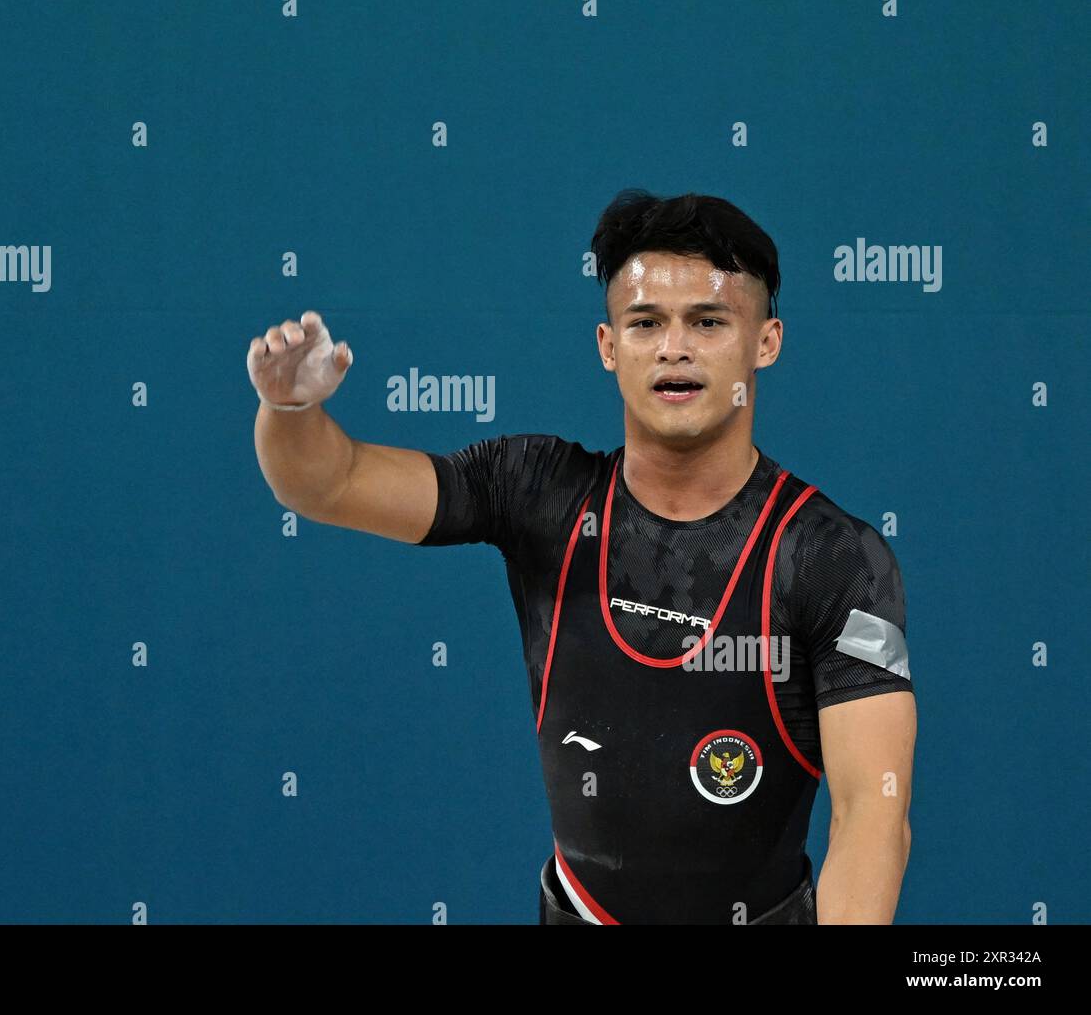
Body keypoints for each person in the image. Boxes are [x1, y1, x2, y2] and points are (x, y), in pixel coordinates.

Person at [248, 190, 916, 925]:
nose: (674, 348)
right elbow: (332, 481)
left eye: (708, 321)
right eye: (645, 323)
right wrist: (288, 411)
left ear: (766, 341)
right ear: (608, 346)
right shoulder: (537, 490)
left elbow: (871, 817)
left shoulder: (832, 556)